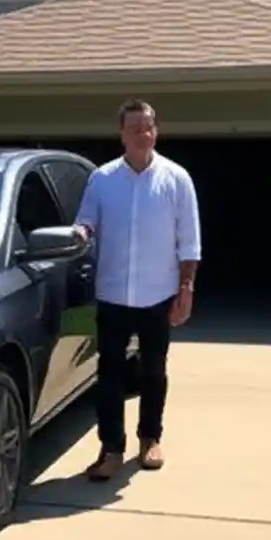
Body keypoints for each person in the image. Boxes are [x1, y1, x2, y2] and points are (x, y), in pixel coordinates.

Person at [74, 99, 202, 482]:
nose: (143, 134)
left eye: (148, 127)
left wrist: (186, 288)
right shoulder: (102, 179)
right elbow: (86, 221)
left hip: (158, 295)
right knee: (109, 375)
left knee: (153, 371)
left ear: (156, 130)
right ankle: (111, 449)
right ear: (122, 134)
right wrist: (81, 232)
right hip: (113, 293)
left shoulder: (176, 179)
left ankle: (151, 439)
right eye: (135, 128)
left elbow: (189, 240)